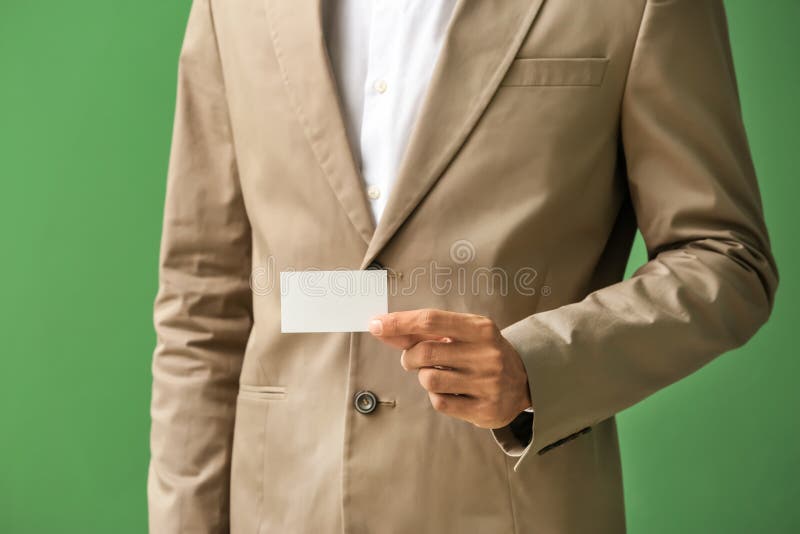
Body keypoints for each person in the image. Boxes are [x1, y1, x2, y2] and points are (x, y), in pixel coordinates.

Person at [147, 0, 779, 532]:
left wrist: (539, 367)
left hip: (509, 506)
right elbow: (203, 298)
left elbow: (726, 256)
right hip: (281, 509)